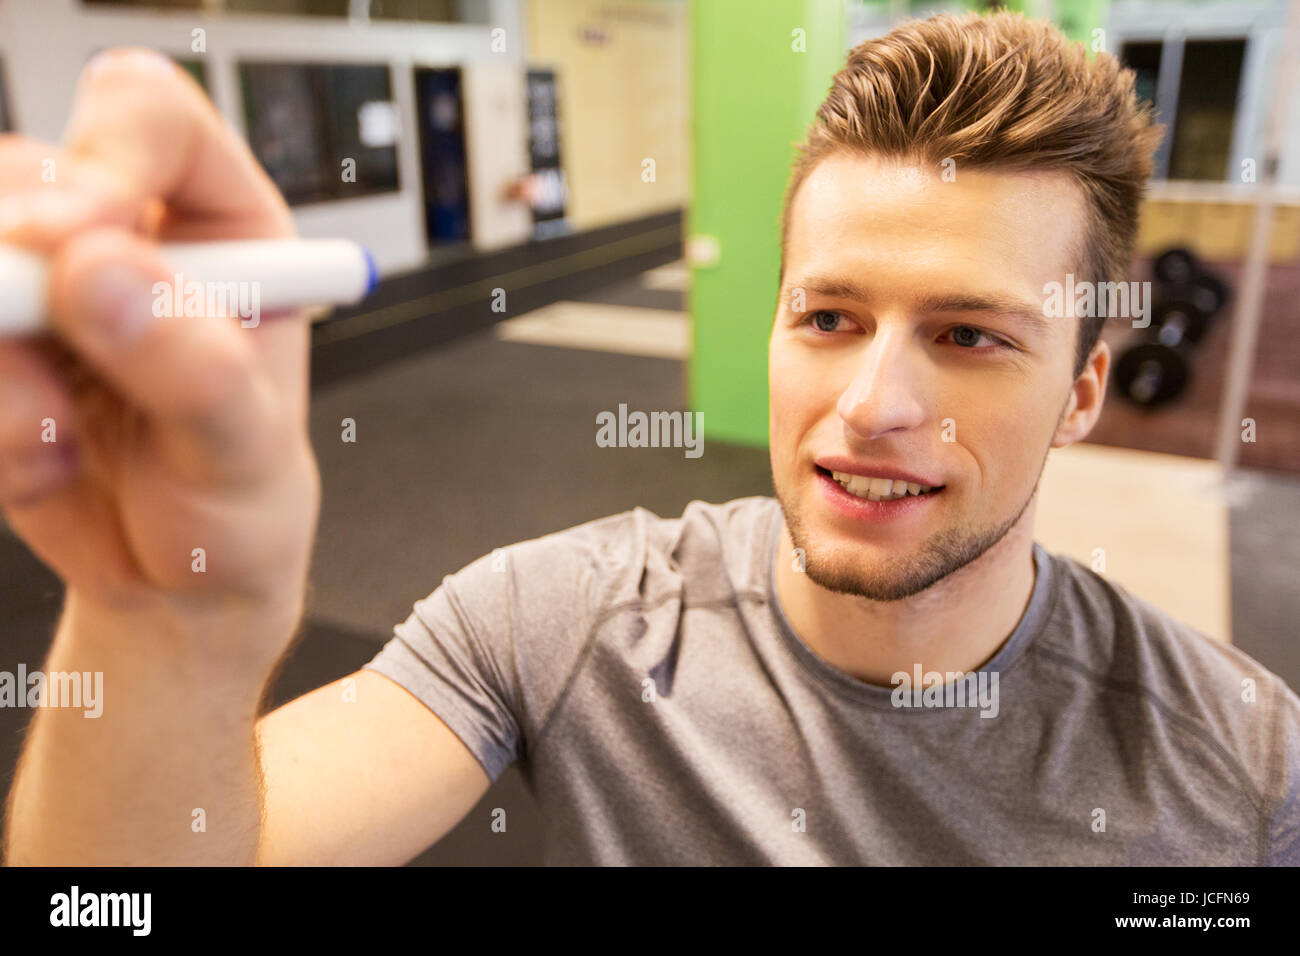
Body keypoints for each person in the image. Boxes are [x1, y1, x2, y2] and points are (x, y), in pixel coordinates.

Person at [2, 12, 1296, 867]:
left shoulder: (1239, 769)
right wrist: (163, 619)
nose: (871, 403)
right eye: (831, 317)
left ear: (1082, 391)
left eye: (971, 336)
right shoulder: (561, 623)